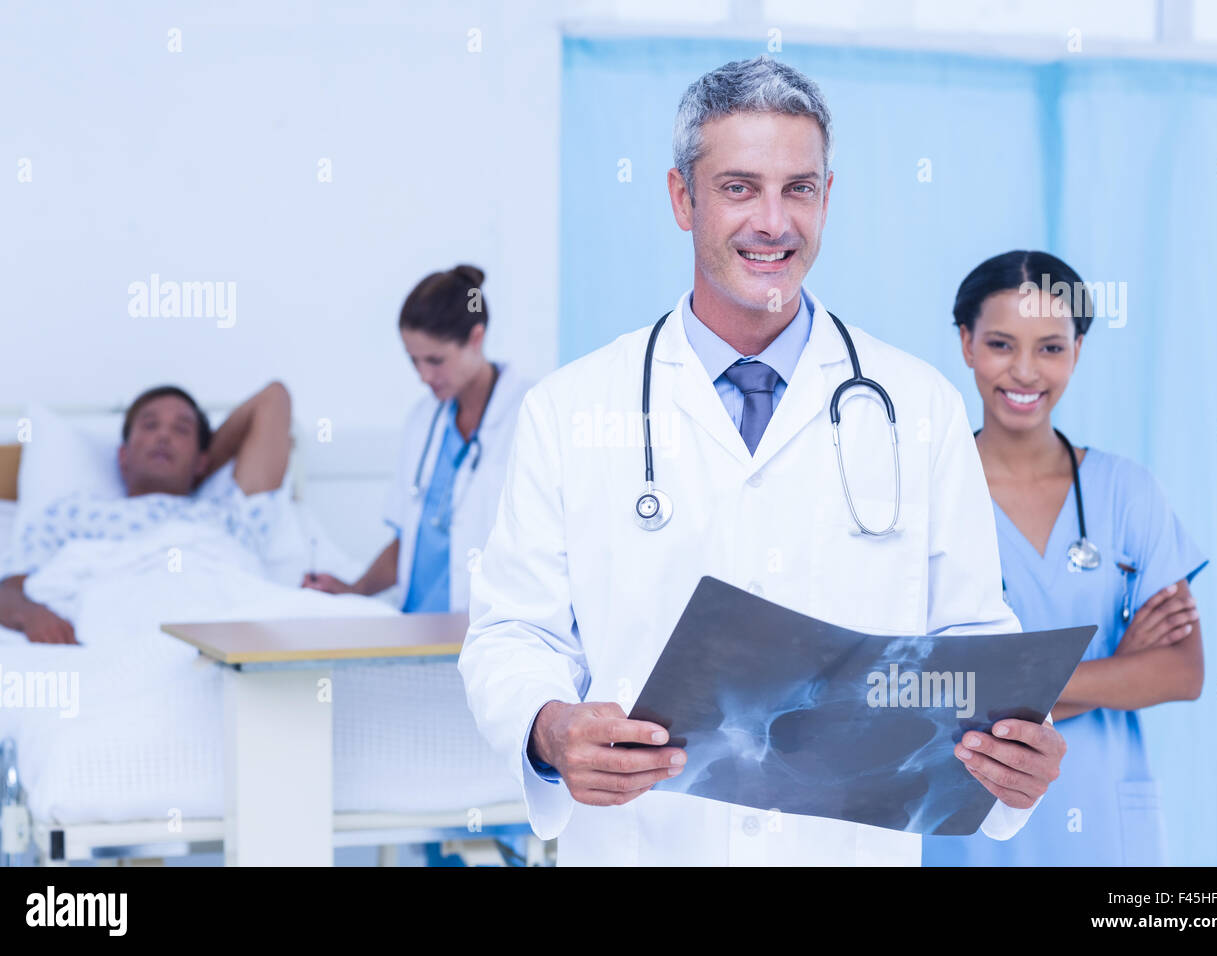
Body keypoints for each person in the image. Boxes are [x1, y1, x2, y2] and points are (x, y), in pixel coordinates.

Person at [458, 56, 1069, 866]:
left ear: (826, 199)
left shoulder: (917, 407)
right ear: (684, 199)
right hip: (646, 844)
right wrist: (549, 727)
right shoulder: (572, 410)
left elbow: (969, 633)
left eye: (800, 188)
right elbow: (513, 630)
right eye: (740, 187)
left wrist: (1020, 746)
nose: (773, 222)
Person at [922, 251, 1206, 867]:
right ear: (966, 343)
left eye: (1050, 347)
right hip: (970, 817)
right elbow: (918, 690)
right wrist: (1120, 672)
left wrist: (998, 695)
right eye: (1001, 343)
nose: (1025, 371)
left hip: (1103, 820)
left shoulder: (1127, 492)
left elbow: (1182, 672)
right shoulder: (927, 495)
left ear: (1078, 350)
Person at [303, 265, 534, 613]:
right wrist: (356, 589)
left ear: (476, 338)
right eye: (414, 361)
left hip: (494, 631)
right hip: (418, 632)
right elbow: (409, 542)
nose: (424, 376)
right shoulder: (423, 421)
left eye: (435, 360)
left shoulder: (531, 413)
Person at [0, 382, 292, 644]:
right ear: (122, 455)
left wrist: (205, 468)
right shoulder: (71, 513)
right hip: (108, 643)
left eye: (181, 430)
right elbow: (7, 595)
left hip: (220, 637)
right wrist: (32, 616)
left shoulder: (226, 516)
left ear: (203, 461)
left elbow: (274, 398)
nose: (164, 437)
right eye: (150, 425)